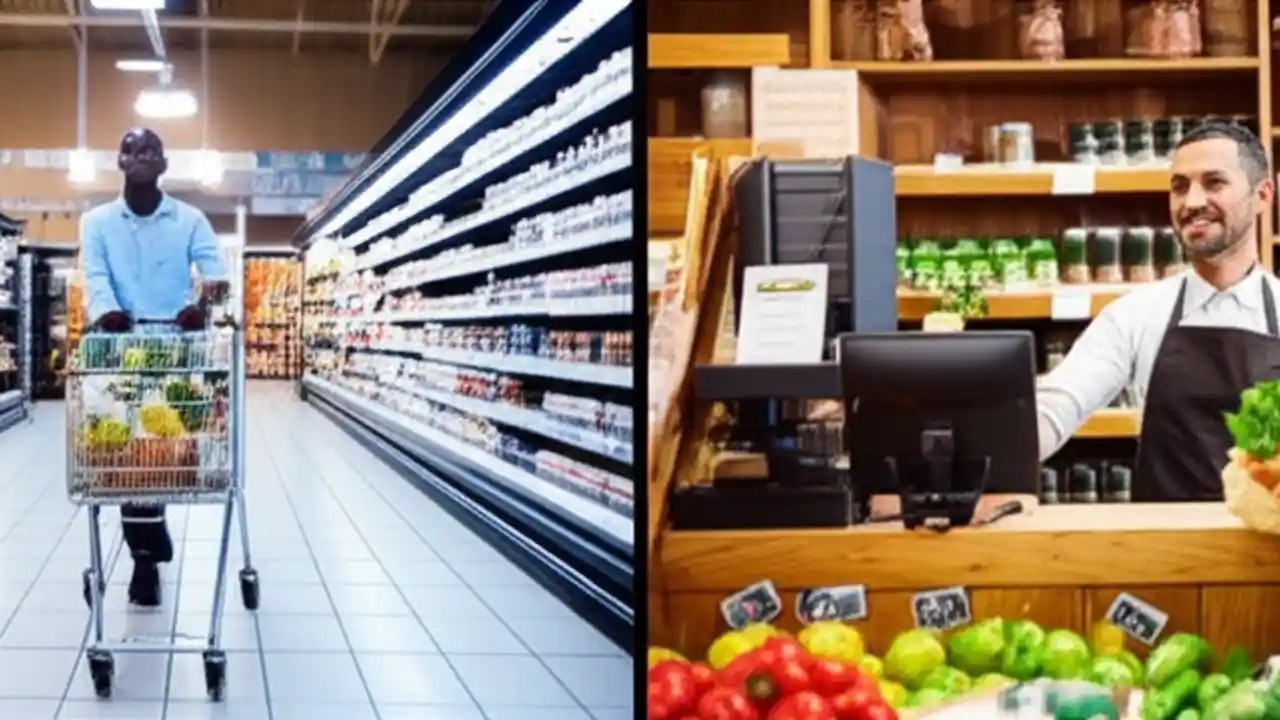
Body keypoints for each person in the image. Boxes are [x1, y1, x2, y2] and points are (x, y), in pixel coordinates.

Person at [1037, 121, 1279, 501]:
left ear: (1263, 195)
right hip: (1166, 548)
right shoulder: (1136, 314)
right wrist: (990, 455)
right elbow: (1055, 407)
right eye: (1180, 186)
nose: (1192, 201)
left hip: (1269, 550)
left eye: (1214, 182)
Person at [80, 128, 229, 606]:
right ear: (119, 161)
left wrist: (202, 307)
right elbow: (96, 276)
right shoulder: (97, 222)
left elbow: (217, 274)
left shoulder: (190, 220)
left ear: (164, 164)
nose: (141, 156)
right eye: (131, 149)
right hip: (119, 351)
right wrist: (105, 310)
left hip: (177, 354)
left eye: (151, 151)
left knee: (163, 452)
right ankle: (145, 556)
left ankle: (148, 542)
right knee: (128, 458)